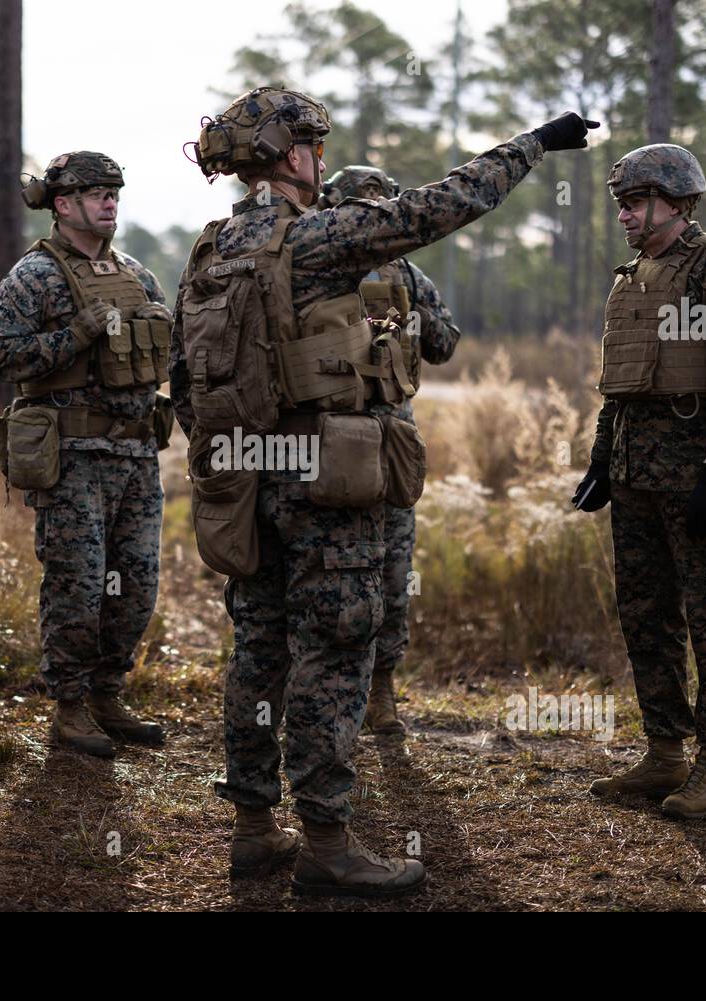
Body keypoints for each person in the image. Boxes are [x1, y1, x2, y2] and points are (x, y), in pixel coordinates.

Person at [171, 86, 597, 894]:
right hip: (329, 484)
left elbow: (183, 378)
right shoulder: (319, 237)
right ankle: (328, 844)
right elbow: (443, 204)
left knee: (258, 651)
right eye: (312, 146)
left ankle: (255, 829)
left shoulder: (212, 252)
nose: (319, 159)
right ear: (294, 155)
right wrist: (535, 142)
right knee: (335, 651)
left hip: (248, 481)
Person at [574, 143, 706, 819]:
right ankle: (664, 752)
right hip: (633, 474)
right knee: (644, 618)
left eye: (635, 202)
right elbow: (620, 385)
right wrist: (602, 459)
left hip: (694, 476)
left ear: (675, 202)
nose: (624, 215)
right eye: (621, 204)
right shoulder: (631, 276)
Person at [0, 152, 172, 759]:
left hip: (136, 453)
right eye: (96, 193)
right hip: (72, 459)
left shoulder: (137, 274)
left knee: (135, 587)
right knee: (78, 587)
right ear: (63, 205)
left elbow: (175, 358)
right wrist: (74, 336)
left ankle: (107, 694)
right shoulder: (35, 276)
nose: (110, 201)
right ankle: (68, 706)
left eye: (115, 191)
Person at [319, 165, 462, 736]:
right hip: (330, 441)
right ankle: (324, 694)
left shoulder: (408, 273)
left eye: (382, 207)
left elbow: (445, 345)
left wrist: (409, 318)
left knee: (394, 573)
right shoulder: (320, 267)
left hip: (393, 444)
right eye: (361, 206)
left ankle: (381, 692)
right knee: (327, 570)